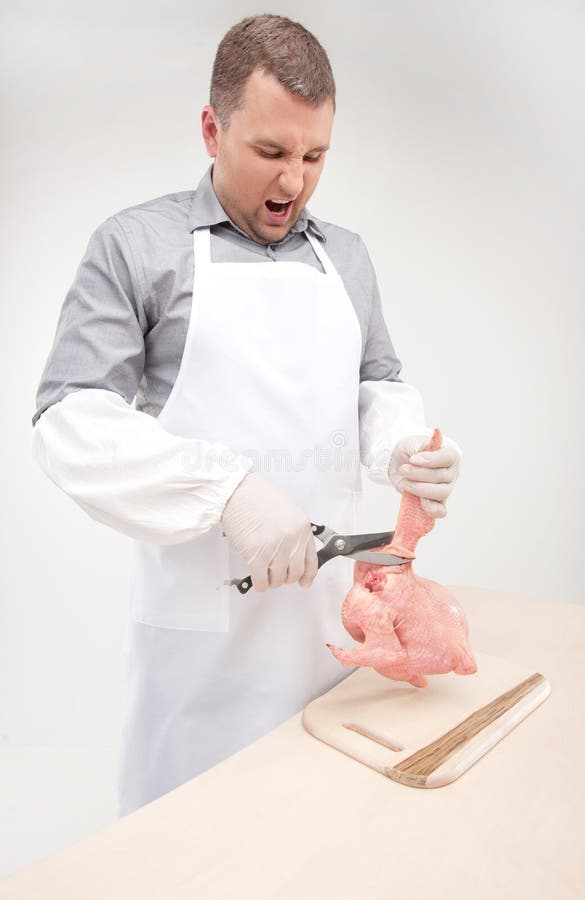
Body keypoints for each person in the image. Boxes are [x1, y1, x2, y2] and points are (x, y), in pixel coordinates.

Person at [31, 14, 461, 816]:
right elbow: (67, 418)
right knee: (189, 849)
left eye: (313, 155)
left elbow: (375, 381)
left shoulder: (348, 256)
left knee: (320, 844)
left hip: (332, 635)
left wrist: (404, 445)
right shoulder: (137, 246)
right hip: (204, 648)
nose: (293, 182)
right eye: (270, 152)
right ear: (211, 128)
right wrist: (228, 490)